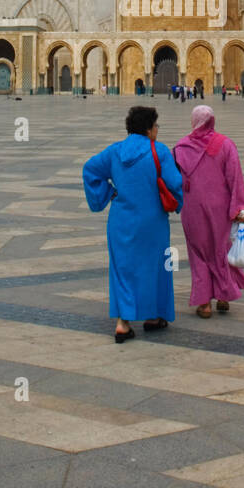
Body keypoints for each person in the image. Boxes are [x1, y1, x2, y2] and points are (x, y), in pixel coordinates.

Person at [83, 105, 183, 343]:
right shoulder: (159, 151)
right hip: (152, 222)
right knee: (155, 266)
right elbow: (175, 183)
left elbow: (90, 169)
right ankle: (153, 317)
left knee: (123, 269)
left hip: (121, 221)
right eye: (156, 125)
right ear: (149, 129)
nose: (157, 130)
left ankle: (122, 323)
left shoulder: (115, 151)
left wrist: (108, 193)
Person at [174, 105, 244, 319]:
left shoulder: (182, 147)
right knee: (221, 249)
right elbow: (235, 178)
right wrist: (240, 206)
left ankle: (204, 303)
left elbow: (173, 178)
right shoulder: (225, 144)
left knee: (198, 253)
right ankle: (224, 295)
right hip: (220, 209)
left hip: (192, 209)